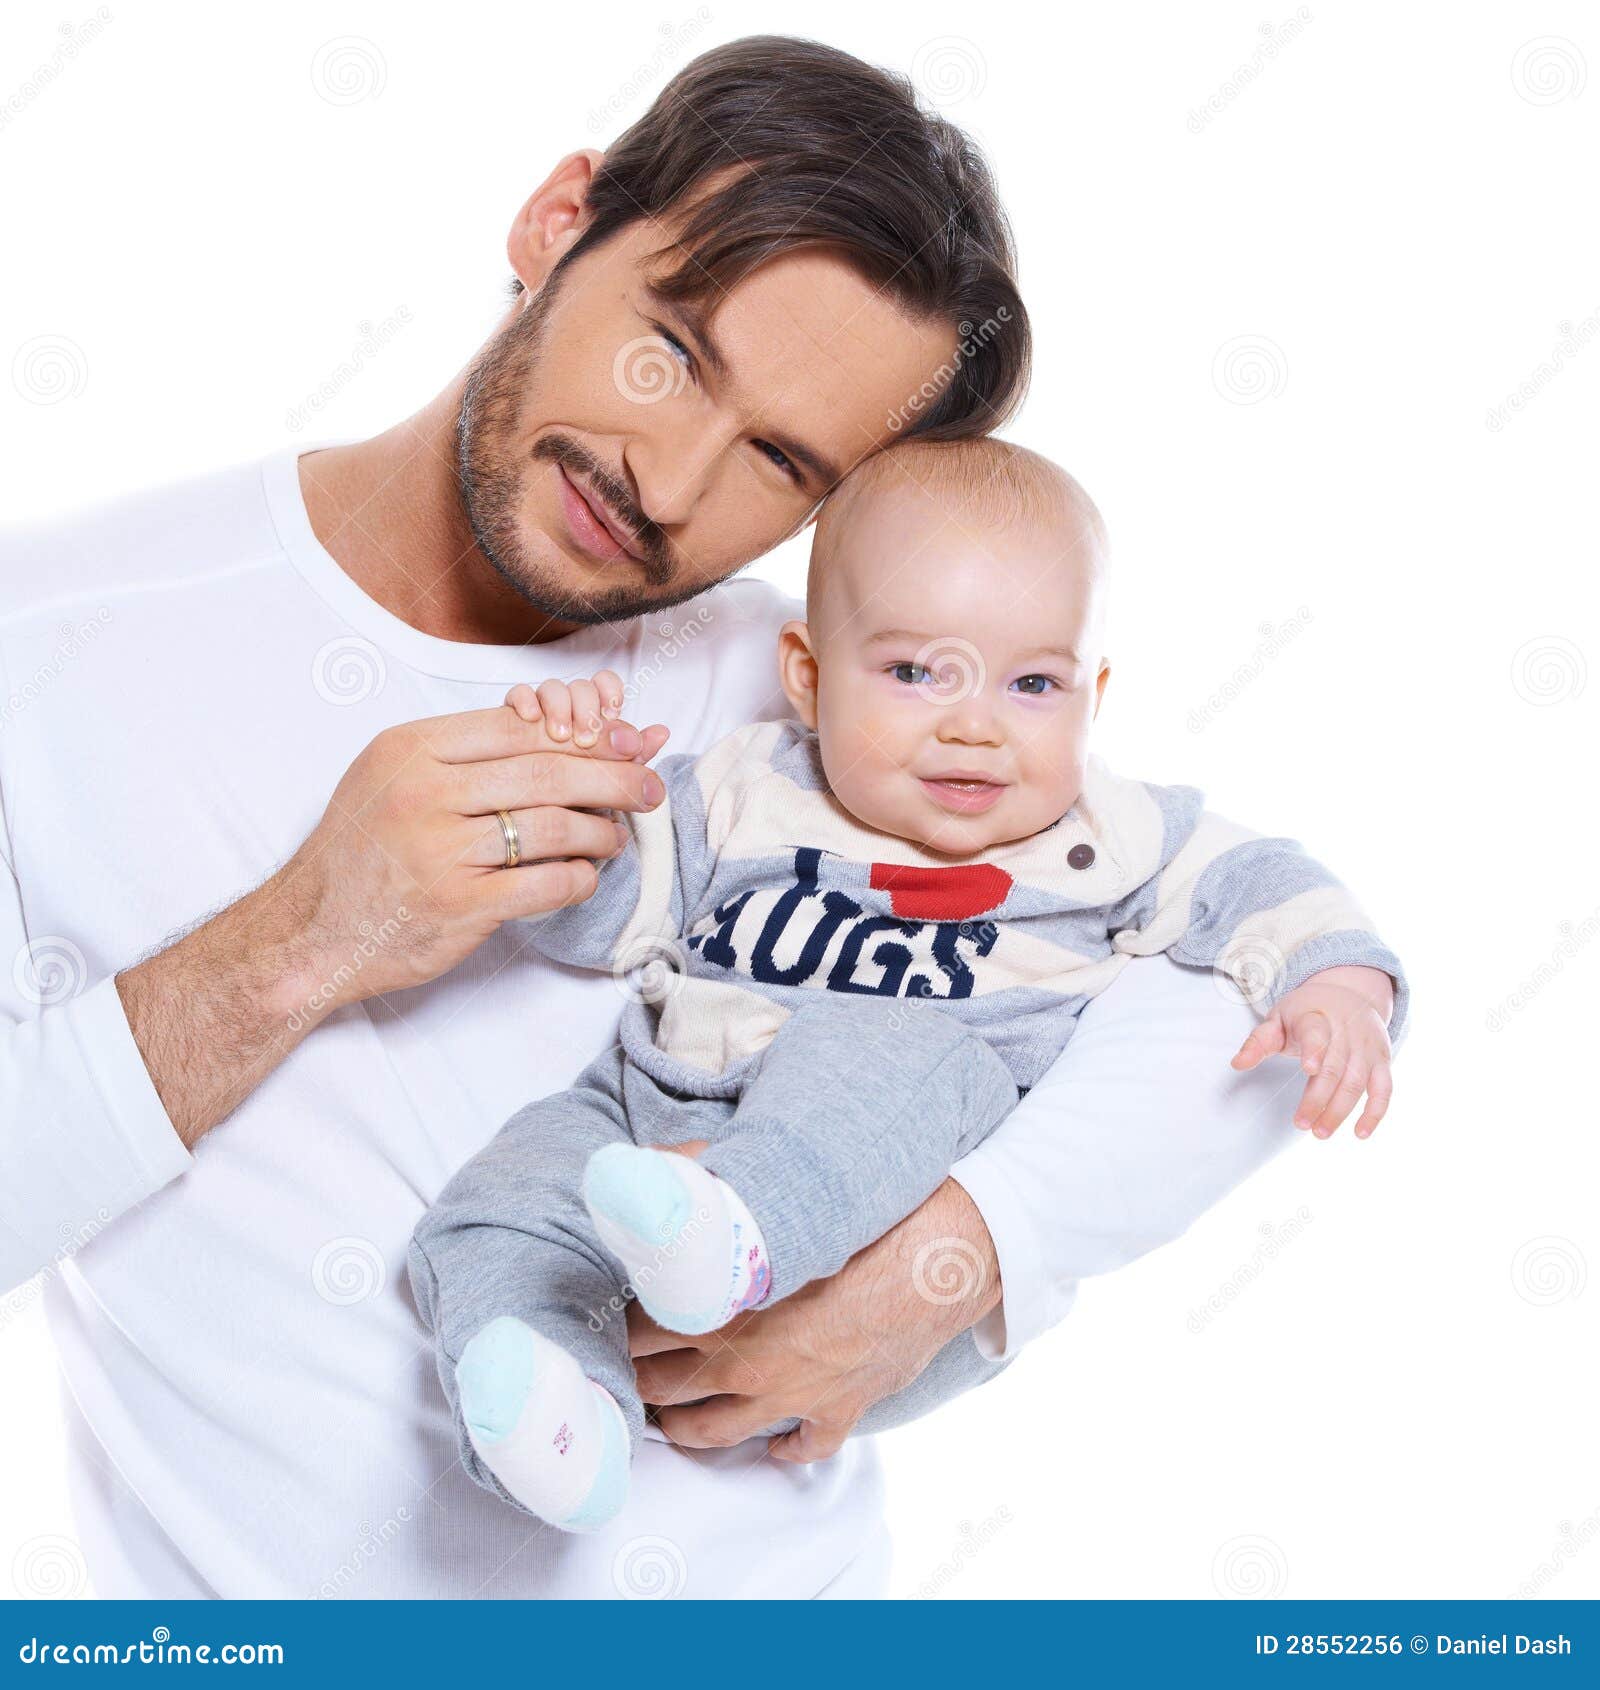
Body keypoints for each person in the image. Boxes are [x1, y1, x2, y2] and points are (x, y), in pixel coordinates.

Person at [3, 39, 1306, 1598]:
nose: (670, 478)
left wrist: (953, 1258)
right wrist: (306, 935)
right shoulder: (55, 646)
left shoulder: (821, 695)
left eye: (779, 458)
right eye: (676, 351)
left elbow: (1224, 986)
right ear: (559, 220)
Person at [409, 440, 1407, 1532]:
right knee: (504, 1195)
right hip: (660, 1126)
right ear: (808, 675)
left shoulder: (1108, 833)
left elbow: (1259, 880)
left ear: (1094, 694)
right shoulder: (739, 787)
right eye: (914, 673)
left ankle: (744, 1233)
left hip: (891, 1204)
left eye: (1033, 683)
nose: (974, 724)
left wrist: (1341, 982)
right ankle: (564, 1420)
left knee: (883, 1040)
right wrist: (576, 805)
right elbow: (605, 921)